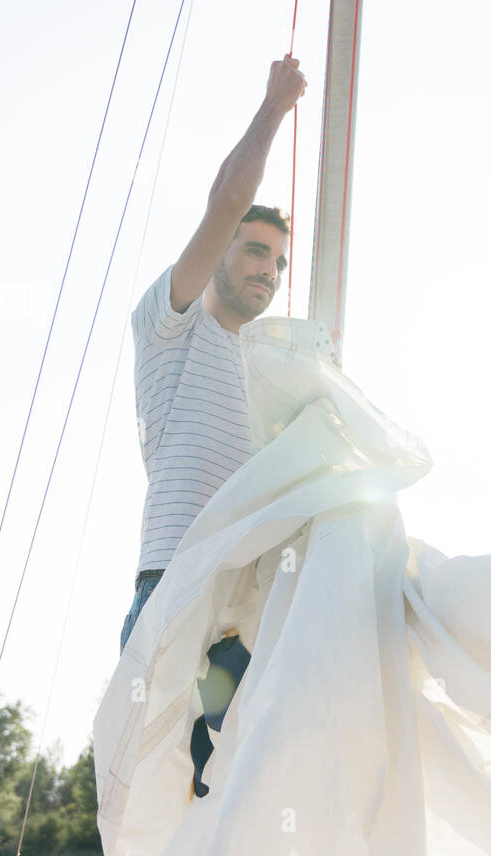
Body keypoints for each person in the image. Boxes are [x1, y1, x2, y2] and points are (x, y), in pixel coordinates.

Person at [119, 54, 307, 798]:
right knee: (165, 800)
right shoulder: (170, 324)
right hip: (174, 589)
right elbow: (229, 199)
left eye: (279, 261)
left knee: (234, 802)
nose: (269, 268)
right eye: (255, 249)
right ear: (222, 250)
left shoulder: (269, 375)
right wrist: (274, 107)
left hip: (247, 609)